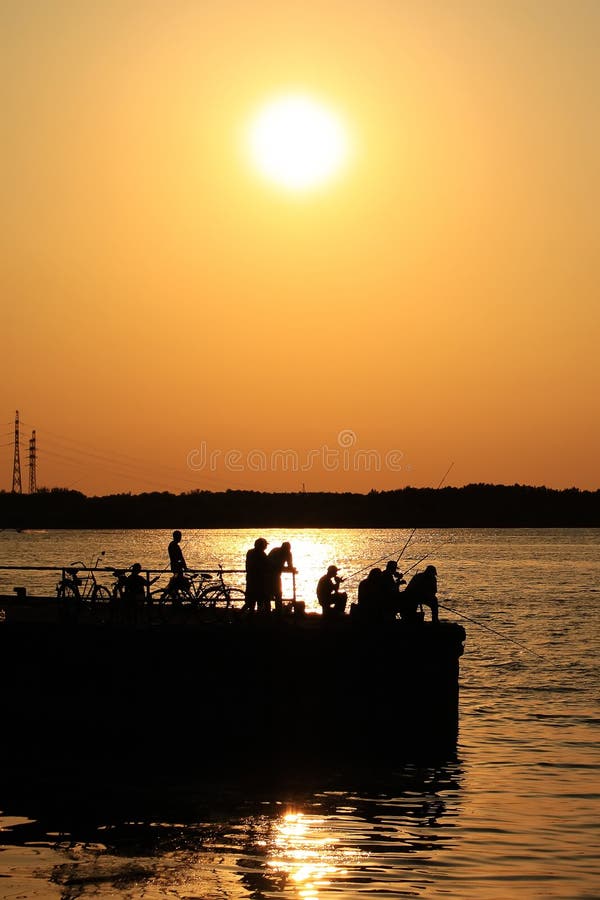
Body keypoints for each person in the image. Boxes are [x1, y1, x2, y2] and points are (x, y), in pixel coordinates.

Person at [267, 541, 296, 612]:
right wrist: (287, 568)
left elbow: (289, 565)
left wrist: (290, 568)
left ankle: (277, 614)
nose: (287, 550)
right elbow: (270, 565)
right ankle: (268, 614)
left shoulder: (288, 553)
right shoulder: (275, 551)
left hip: (276, 576)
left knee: (278, 595)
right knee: (270, 596)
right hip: (268, 576)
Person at [244, 538, 271, 612]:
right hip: (259, 581)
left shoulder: (250, 552)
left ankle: (246, 615)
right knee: (260, 600)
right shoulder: (262, 554)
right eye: (265, 545)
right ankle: (258, 617)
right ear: (262, 546)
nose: (266, 547)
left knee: (250, 601)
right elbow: (267, 566)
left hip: (250, 579)